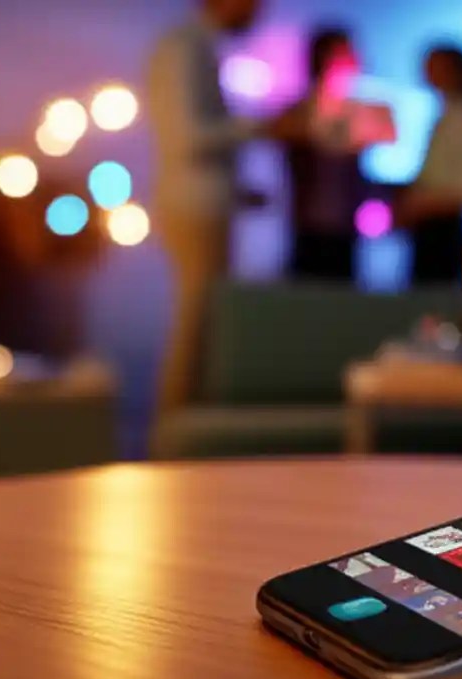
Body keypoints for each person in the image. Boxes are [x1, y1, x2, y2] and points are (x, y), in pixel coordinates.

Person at [146, 0, 292, 416]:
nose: (259, 11)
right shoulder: (183, 49)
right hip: (196, 209)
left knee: (205, 329)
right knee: (196, 328)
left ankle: (185, 437)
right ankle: (174, 440)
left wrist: (239, 190)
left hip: (205, 205)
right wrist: (263, 126)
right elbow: (187, 137)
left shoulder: (195, 48)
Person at [396, 45, 462, 285]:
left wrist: (422, 204)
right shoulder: (448, 115)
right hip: (432, 227)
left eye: (434, 65)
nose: (425, 71)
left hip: (443, 229)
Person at [285, 28, 369, 282]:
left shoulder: (361, 113)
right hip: (307, 226)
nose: (354, 60)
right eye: (344, 53)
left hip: (345, 226)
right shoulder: (299, 113)